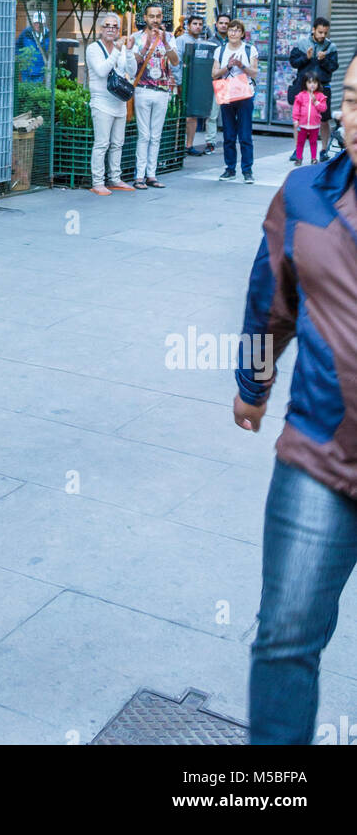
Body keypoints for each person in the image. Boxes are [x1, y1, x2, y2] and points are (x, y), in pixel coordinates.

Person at [233, 47, 357, 745]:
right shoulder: (305, 193)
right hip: (319, 453)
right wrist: (253, 384)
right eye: (351, 98)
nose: (354, 117)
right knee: (284, 640)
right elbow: (267, 303)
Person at [85, 12, 137, 196]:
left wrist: (129, 51)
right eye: (107, 25)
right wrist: (117, 50)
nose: (110, 29)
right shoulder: (93, 49)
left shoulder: (121, 49)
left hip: (119, 102)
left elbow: (131, 70)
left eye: (114, 26)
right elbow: (101, 71)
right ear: (101, 28)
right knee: (102, 143)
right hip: (101, 102)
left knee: (117, 143)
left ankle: (115, 178)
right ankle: (98, 181)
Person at [128, 3, 179, 190]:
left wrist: (164, 42)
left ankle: (151, 174)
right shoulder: (137, 37)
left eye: (158, 16)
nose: (155, 20)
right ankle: (139, 176)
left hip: (162, 90)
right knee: (144, 135)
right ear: (145, 17)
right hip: (142, 89)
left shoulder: (170, 37)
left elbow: (175, 62)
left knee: (155, 136)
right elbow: (133, 63)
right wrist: (148, 43)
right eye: (152, 16)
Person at [212, 19, 258, 183]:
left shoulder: (249, 49)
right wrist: (229, 66)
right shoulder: (220, 50)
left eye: (237, 30)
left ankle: (247, 170)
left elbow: (254, 72)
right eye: (231, 30)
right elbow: (214, 74)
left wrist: (241, 65)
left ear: (242, 33)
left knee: (245, 134)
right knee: (229, 134)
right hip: (226, 90)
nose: (233, 33)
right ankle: (230, 168)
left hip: (245, 91)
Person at [289, 17, 339, 160]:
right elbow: (293, 62)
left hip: (323, 88)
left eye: (325, 33)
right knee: (299, 119)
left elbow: (334, 67)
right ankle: (297, 150)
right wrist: (306, 57)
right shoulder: (302, 43)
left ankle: (323, 149)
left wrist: (324, 60)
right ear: (313, 30)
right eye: (320, 32)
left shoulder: (331, 47)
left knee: (324, 119)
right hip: (303, 88)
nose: (323, 35)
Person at [174, 14, 208, 155]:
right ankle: (176, 146)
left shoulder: (201, 42)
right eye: (195, 24)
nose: (197, 26)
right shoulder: (180, 40)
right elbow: (176, 63)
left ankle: (189, 145)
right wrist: (180, 82)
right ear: (188, 25)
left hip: (196, 84)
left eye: (200, 24)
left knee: (192, 116)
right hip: (182, 82)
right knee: (180, 116)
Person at [200, 11, 231, 153]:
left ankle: (229, 140)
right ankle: (210, 142)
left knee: (228, 114)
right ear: (216, 25)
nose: (224, 26)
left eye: (226, 23)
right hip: (215, 81)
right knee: (212, 114)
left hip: (229, 82)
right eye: (221, 23)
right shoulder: (210, 42)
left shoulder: (234, 42)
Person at [292, 68, 327, 165]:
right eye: (309, 82)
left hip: (314, 125)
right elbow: (296, 108)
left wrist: (316, 102)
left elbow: (323, 108)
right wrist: (295, 120)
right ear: (305, 84)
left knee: (313, 142)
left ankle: (314, 158)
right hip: (302, 125)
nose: (312, 85)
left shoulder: (320, 96)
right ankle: (299, 158)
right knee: (300, 142)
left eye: (314, 82)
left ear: (318, 84)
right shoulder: (301, 95)